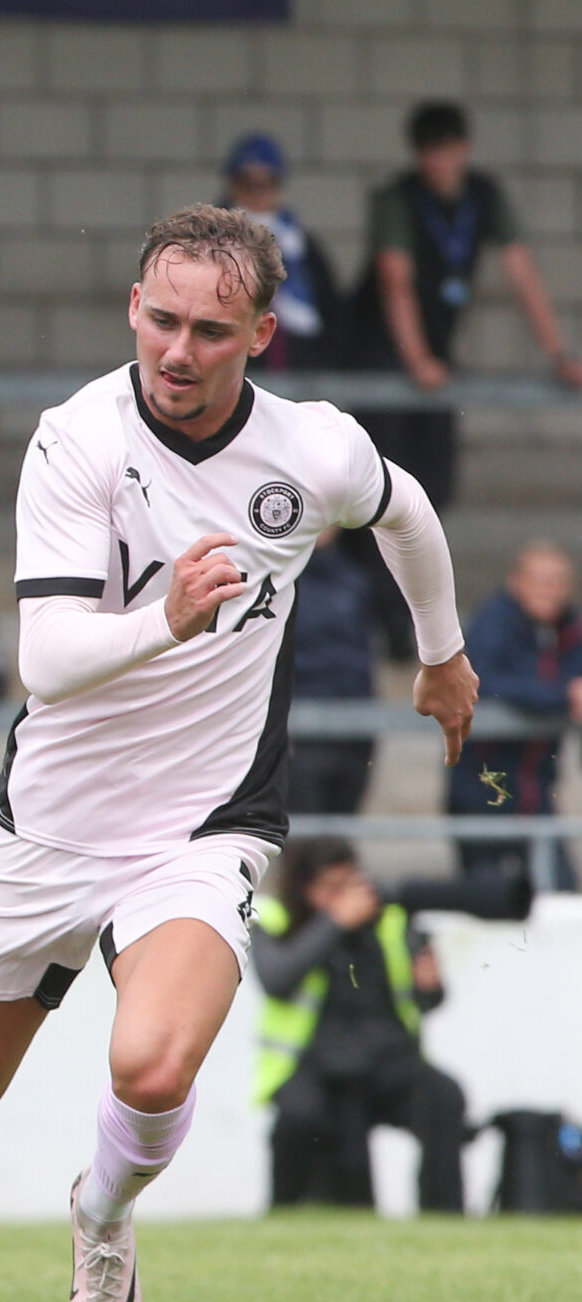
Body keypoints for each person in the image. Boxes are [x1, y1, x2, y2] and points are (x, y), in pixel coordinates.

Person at [0, 204, 477, 1302]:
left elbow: (407, 511)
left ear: (257, 336)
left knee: (153, 1069)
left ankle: (100, 1213)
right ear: (132, 308)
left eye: (209, 331)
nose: (177, 349)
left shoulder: (307, 451)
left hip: (203, 822)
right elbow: (46, 663)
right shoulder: (74, 440)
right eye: (160, 319)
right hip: (48, 824)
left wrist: (441, 656)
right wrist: (165, 617)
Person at [351, 102, 582, 514]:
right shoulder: (398, 197)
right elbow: (395, 280)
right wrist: (417, 359)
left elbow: (523, 275)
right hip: (380, 347)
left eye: (445, 149)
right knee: (380, 479)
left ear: (465, 148)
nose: (437, 161)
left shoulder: (484, 195)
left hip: (434, 348)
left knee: (435, 480)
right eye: (428, 151)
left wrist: (560, 356)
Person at [253, 836, 466, 1214]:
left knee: (443, 1098)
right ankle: (282, 1213)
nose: (347, 898)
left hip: (387, 1062)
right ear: (304, 889)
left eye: (349, 883)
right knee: (301, 1118)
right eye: (331, 888)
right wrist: (333, 924)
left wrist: (430, 986)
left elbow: (424, 1000)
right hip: (309, 1065)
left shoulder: (389, 922)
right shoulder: (275, 919)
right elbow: (278, 982)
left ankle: (443, 1215)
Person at [449, 540, 582, 888]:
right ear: (516, 581)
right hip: (483, 787)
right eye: (541, 580)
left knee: (559, 894)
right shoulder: (493, 623)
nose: (550, 590)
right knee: (491, 896)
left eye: (558, 581)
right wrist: (564, 695)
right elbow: (483, 682)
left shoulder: (571, 630)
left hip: (538, 789)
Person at [218, 132, 342, 372]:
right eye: (248, 184)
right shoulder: (210, 242)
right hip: (233, 369)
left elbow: (331, 310)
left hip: (297, 368)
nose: (257, 194)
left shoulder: (301, 245)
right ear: (232, 185)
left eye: (268, 183)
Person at [284, 526, 382, 815]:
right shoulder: (278, 582)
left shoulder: (354, 579)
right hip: (301, 727)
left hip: (356, 725)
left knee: (341, 827)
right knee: (304, 834)